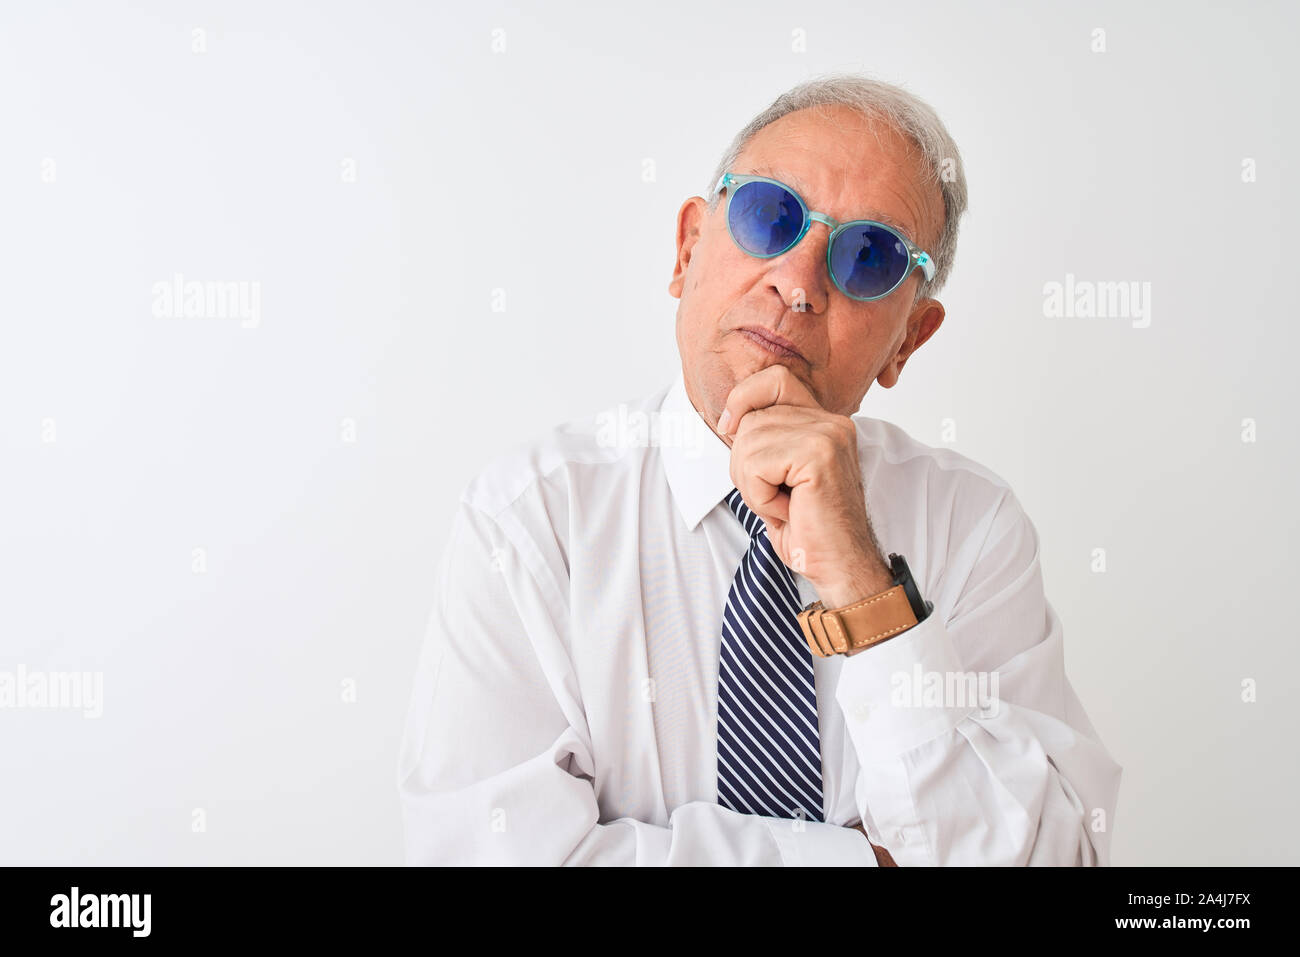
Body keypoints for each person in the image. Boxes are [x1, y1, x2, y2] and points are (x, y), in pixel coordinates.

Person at [398, 72, 1122, 866]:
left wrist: (864, 583)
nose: (800, 282)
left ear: (908, 339)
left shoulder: (972, 526)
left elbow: (1058, 859)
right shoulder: (530, 522)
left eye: (869, 256)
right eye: (770, 216)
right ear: (687, 251)